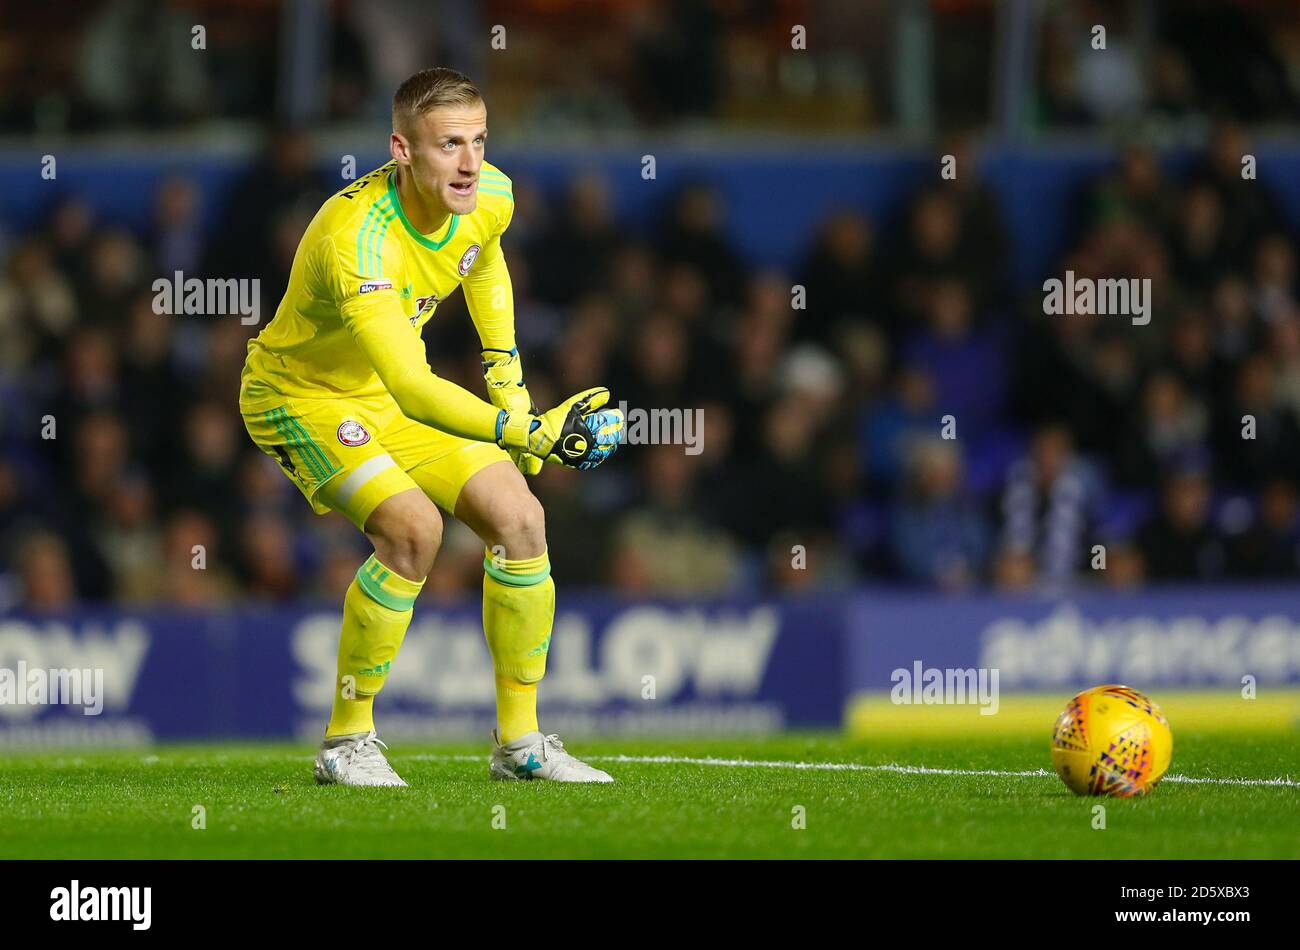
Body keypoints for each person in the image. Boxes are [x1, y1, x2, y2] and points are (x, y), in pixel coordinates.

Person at [239, 67, 623, 786]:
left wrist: (508, 377)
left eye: (479, 140)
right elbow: (415, 388)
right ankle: (346, 743)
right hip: (302, 395)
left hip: (382, 394)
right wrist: (530, 432)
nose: (471, 161)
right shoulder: (357, 240)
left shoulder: (491, 195)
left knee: (522, 521)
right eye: (450, 145)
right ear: (402, 149)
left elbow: (484, 262)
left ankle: (522, 746)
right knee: (414, 531)